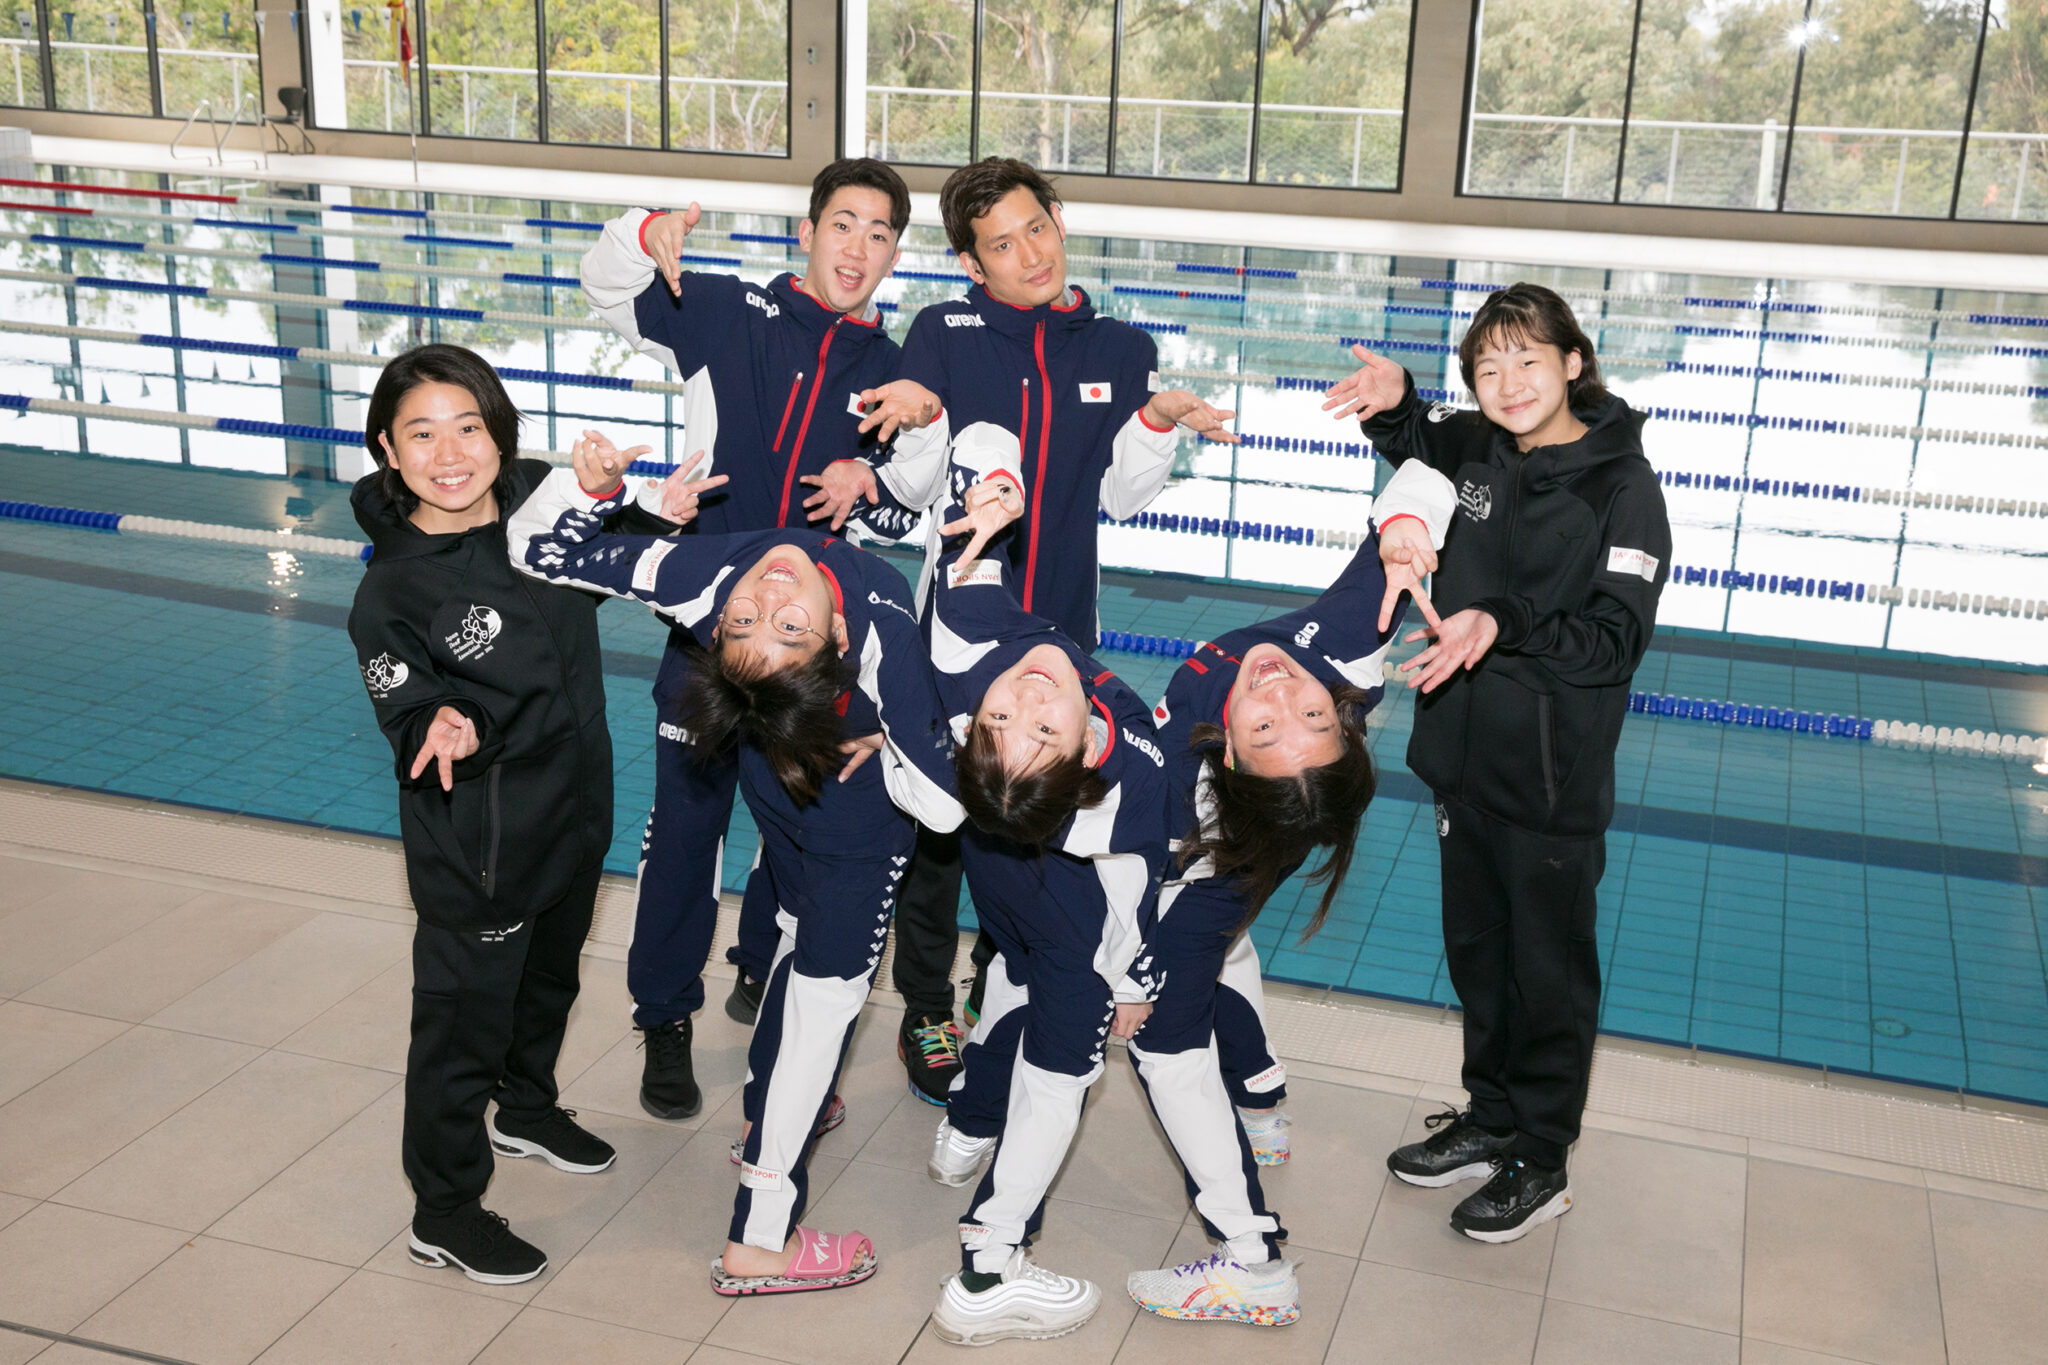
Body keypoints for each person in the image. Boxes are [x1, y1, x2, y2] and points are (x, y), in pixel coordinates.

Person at [507, 443, 963, 1296]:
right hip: (852, 831)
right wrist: (893, 742)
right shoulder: (882, 637)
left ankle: (768, 1107)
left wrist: (590, 489)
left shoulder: (705, 578)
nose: (768, 597)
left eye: (759, 623)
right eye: (771, 626)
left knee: (793, 940)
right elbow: (946, 802)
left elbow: (539, 549)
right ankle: (760, 1236)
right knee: (826, 1002)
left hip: (786, 786)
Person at [580, 157, 940, 1123]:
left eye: (878, 234)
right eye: (843, 225)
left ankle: (759, 971)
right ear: (809, 230)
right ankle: (665, 1019)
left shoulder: (895, 372)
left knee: (802, 838)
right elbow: (605, 287)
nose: (858, 248)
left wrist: (884, 474)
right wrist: (644, 227)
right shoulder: (727, 313)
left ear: (896, 253)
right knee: (683, 837)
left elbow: (912, 512)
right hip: (708, 634)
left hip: (815, 651)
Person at [880, 156, 1239, 1111]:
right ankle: (925, 1002)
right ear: (971, 262)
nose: (1028, 254)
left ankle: (1000, 986)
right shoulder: (944, 334)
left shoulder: (1117, 346)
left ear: (1060, 219)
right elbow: (917, 488)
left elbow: (1120, 491)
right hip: (957, 629)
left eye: (1036, 228)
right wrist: (917, 424)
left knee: (1036, 826)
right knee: (940, 830)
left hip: (1060, 643)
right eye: (1000, 244)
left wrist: (1158, 419)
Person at [1324, 282, 1671, 1243]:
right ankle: (1490, 1116)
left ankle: (1542, 1157)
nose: (1508, 382)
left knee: (1546, 976)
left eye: (1527, 359)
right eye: (1488, 366)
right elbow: (1413, 444)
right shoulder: (1481, 444)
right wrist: (1393, 401)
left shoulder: (1624, 490)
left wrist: (1498, 621)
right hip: (1458, 765)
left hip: (1551, 783)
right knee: (1479, 958)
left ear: (1573, 362)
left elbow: (1612, 640)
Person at [347, 344, 680, 1285]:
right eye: (421, 433)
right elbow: (406, 709)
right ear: (388, 447)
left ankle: (527, 1106)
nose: (449, 453)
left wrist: (637, 504)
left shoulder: (544, 506)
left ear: (501, 435)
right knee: (461, 1033)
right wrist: (442, 721)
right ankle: (444, 1210)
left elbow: (636, 549)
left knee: (549, 982)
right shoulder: (392, 590)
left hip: (575, 809)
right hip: (479, 845)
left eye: (469, 426)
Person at [1120, 459, 1453, 1325]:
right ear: (1342, 717)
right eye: (1306, 714)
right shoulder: (1335, 654)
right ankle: (1263, 1098)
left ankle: (1253, 1262)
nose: (1275, 689)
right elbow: (1423, 478)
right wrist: (1410, 525)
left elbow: (1134, 887)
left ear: (1231, 760)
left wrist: (1127, 975)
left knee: (1163, 1045)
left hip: (1195, 881)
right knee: (1232, 950)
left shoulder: (1178, 798)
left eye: (1270, 723)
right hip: (1235, 859)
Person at [903, 465, 1169, 1345]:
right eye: (1022, 729)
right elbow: (1136, 886)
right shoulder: (1136, 775)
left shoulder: (965, 653)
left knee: (1008, 983)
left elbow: (968, 573)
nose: (1026, 698)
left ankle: (967, 1130)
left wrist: (981, 506)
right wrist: (1133, 981)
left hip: (998, 863)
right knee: (1063, 1069)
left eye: (1020, 725)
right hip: (1060, 904)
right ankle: (991, 1262)